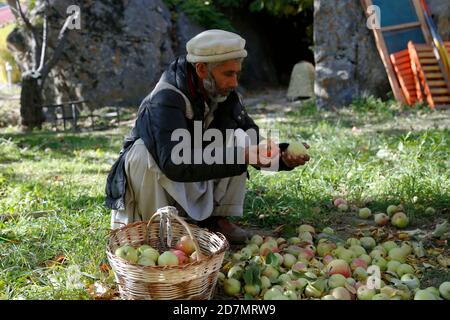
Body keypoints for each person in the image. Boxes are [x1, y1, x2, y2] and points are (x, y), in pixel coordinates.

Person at [105, 29, 310, 243]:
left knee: (239, 138)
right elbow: (174, 163)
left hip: (191, 172)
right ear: (202, 69)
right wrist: (242, 155)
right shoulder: (165, 99)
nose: (234, 83)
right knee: (141, 153)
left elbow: (253, 142)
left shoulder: (223, 94)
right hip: (161, 180)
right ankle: (156, 231)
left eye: (236, 74)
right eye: (228, 74)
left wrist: (283, 156)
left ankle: (214, 220)